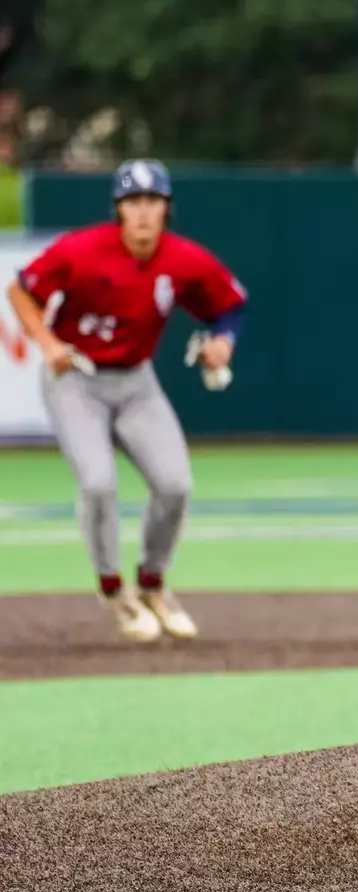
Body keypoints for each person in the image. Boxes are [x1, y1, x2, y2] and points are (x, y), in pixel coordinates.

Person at [4, 159, 246, 642]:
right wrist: (48, 344)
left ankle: (153, 582)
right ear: (118, 209)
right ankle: (115, 590)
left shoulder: (183, 259)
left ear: (166, 208)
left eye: (151, 201)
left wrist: (224, 343)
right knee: (97, 484)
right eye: (132, 201)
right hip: (78, 379)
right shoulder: (81, 249)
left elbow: (231, 304)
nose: (142, 211)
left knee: (175, 484)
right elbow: (20, 290)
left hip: (136, 382)